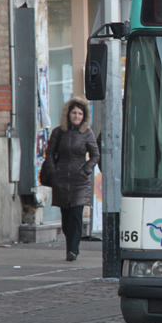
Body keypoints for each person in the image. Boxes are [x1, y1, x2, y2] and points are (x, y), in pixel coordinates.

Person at [43, 96, 100, 261]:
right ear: (68, 114)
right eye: (74, 113)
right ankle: (70, 245)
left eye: (80, 114)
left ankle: (73, 250)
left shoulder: (87, 134)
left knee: (76, 215)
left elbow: (95, 155)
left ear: (84, 116)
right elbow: (50, 154)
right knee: (66, 218)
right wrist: (53, 172)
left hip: (80, 181)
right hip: (61, 180)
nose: (76, 116)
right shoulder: (58, 132)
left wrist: (86, 170)